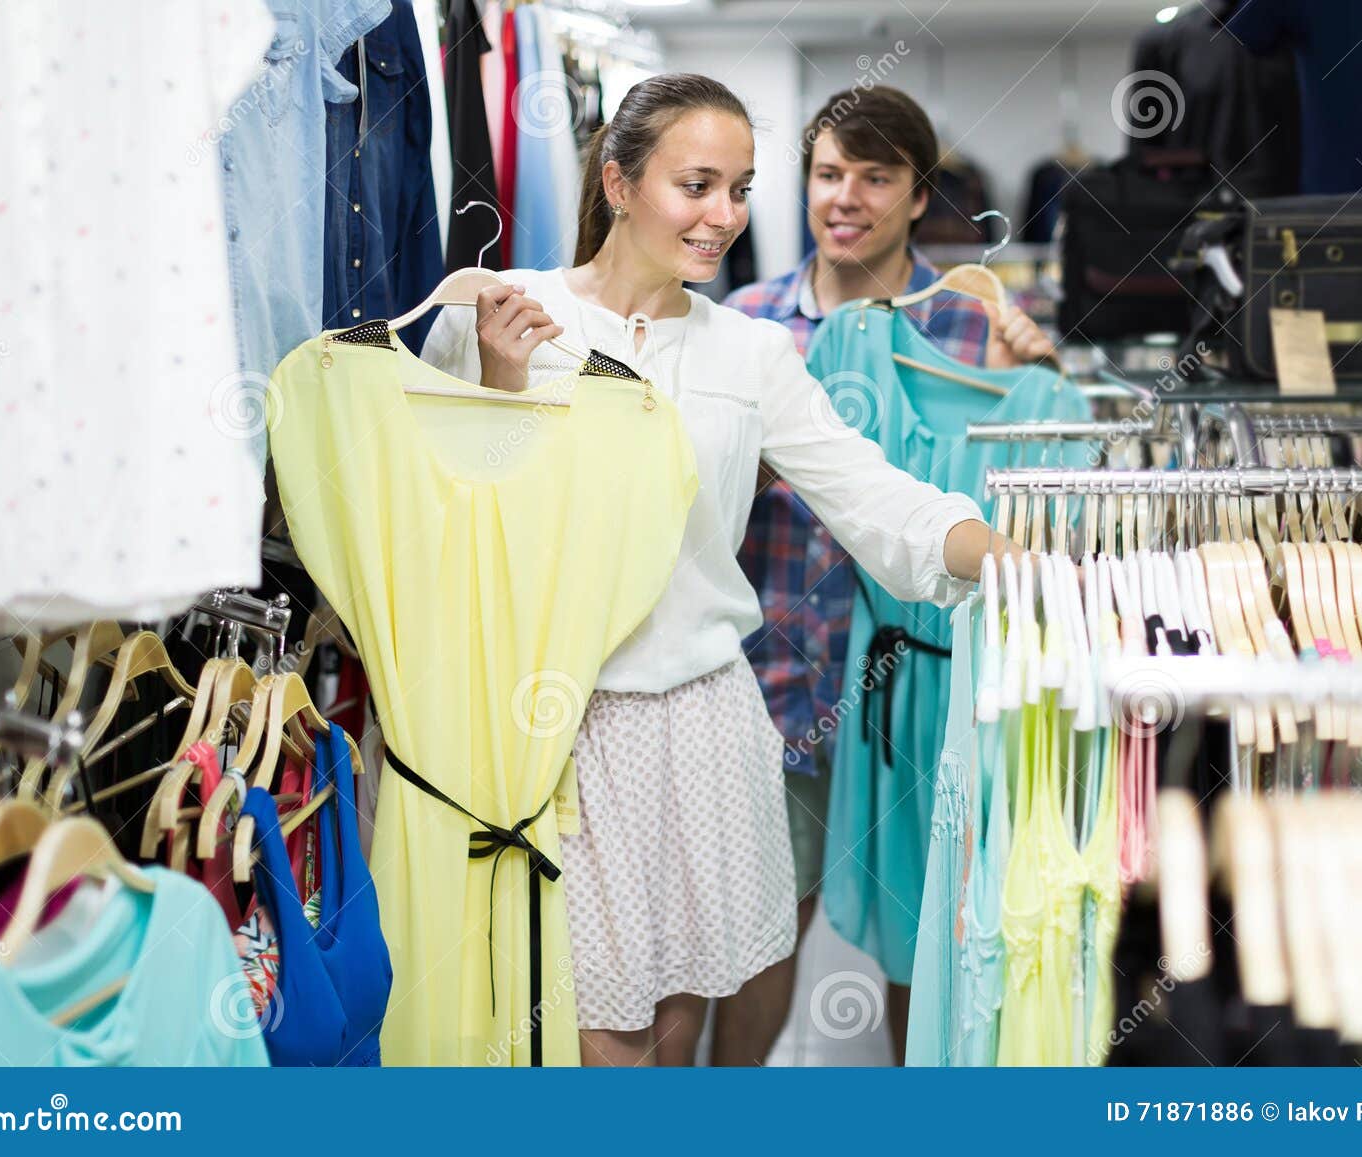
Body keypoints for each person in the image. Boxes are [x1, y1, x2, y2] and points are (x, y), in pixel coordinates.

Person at [420, 73, 1015, 1068]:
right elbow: (436, 531)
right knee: (604, 1034)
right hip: (560, 720)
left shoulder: (752, 352)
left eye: (738, 189)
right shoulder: (497, 317)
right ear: (617, 180)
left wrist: (1011, 557)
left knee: (673, 1025)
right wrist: (502, 392)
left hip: (705, 717)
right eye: (696, 185)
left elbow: (879, 502)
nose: (723, 216)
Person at [721, 85, 1053, 1065]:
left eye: (876, 176)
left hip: (917, 685)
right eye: (829, 173)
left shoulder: (976, 320)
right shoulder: (744, 324)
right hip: (773, 675)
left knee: (926, 929)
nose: (846, 197)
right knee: (762, 924)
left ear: (918, 195)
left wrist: (1036, 365)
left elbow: (1035, 457)